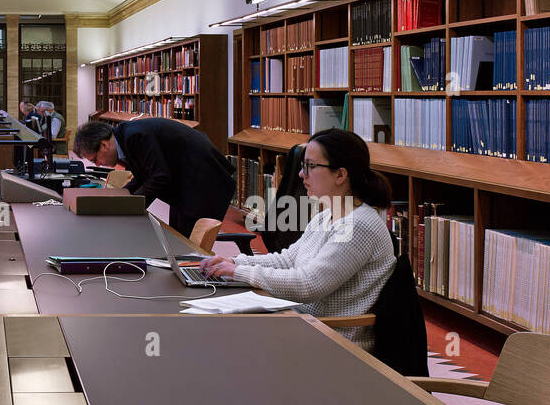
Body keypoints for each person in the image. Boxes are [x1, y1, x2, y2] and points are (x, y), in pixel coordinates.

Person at [200, 127, 395, 351]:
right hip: (304, 323)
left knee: (226, 343)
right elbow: (288, 260)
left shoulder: (359, 225)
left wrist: (237, 273)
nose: (302, 174)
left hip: (334, 342)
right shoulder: (327, 215)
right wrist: (236, 263)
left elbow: (308, 284)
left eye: (310, 166)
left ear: (340, 175)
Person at [71, 117, 235, 238]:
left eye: (95, 159)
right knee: (175, 238)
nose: (98, 165)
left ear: (104, 145)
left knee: (184, 246)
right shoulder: (125, 137)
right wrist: (120, 199)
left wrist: (129, 205)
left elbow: (159, 178)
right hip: (186, 183)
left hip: (204, 183)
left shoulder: (134, 136)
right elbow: (144, 176)